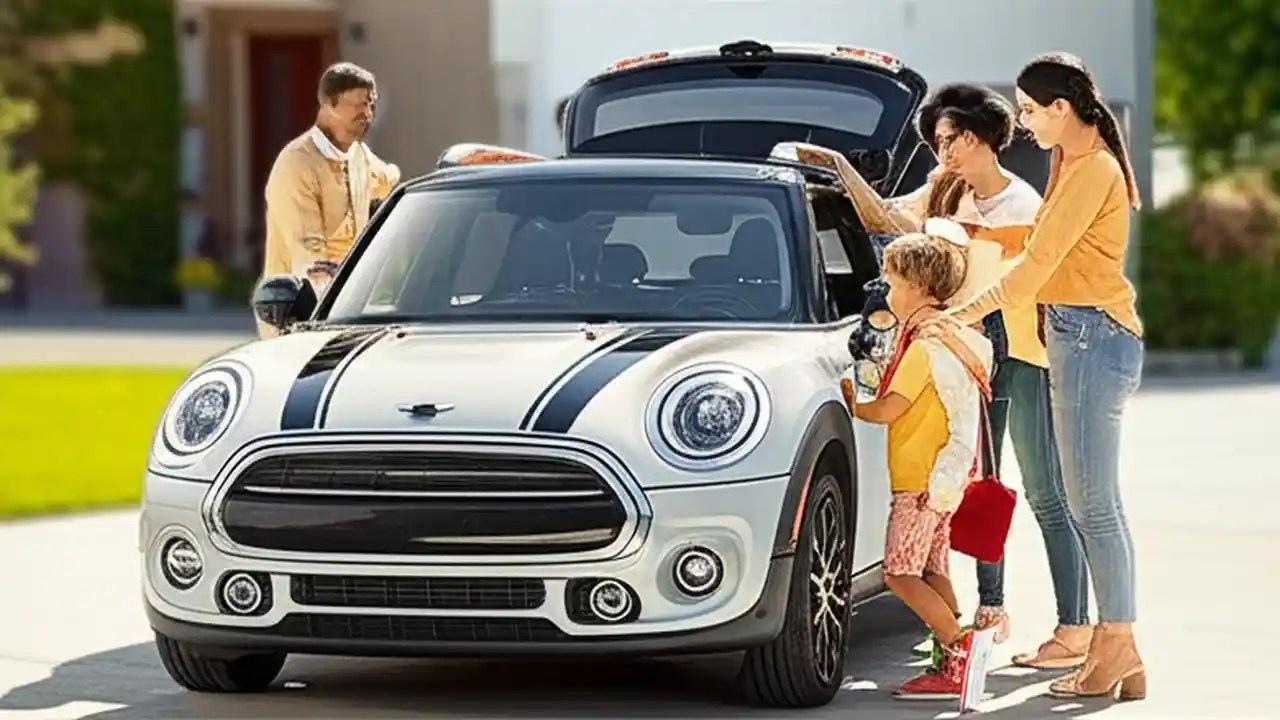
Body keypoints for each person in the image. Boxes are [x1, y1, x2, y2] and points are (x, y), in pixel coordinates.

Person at [800, 85, 1088, 668]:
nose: (942, 151)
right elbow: (883, 216)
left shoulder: (1026, 206)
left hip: (1016, 350)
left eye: (950, 139)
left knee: (1037, 491)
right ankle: (986, 613)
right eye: (936, 141)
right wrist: (836, 168)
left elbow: (1043, 288)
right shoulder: (943, 191)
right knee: (966, 485)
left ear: (980, 138)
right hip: (959, 343)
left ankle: (1074, 628)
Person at [934, 53, 1147, 702]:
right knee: (1091, 504)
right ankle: (1120, 650)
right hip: (1074, 334)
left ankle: (1113, 643)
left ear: (1061, 108)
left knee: (1094, 506)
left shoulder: (1094, 169)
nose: (1022, 123)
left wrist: (962, 313)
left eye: (1028, 110)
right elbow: (1039, 261)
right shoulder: (1071, 161)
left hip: (1092, 336)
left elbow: (1035, 264)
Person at [852, 220, 993, 700]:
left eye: (891, 283)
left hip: (919, 482)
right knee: (934, 571)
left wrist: (851, 403)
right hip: (944, 480)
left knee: (899, 572)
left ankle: (960, 647)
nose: (887, 292)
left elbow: (891, 408)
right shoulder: (953, 335)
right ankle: (948, 666)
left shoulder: (923, 348)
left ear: (915, 286)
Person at [258, 61, 400, 338]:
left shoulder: (360, 156)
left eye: (370, 104)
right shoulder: (297, 163)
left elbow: (390, 182)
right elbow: (308, 255)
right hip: (298, 315)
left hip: (350, 311)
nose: (367, 113)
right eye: (359, 104)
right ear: (330, 104)